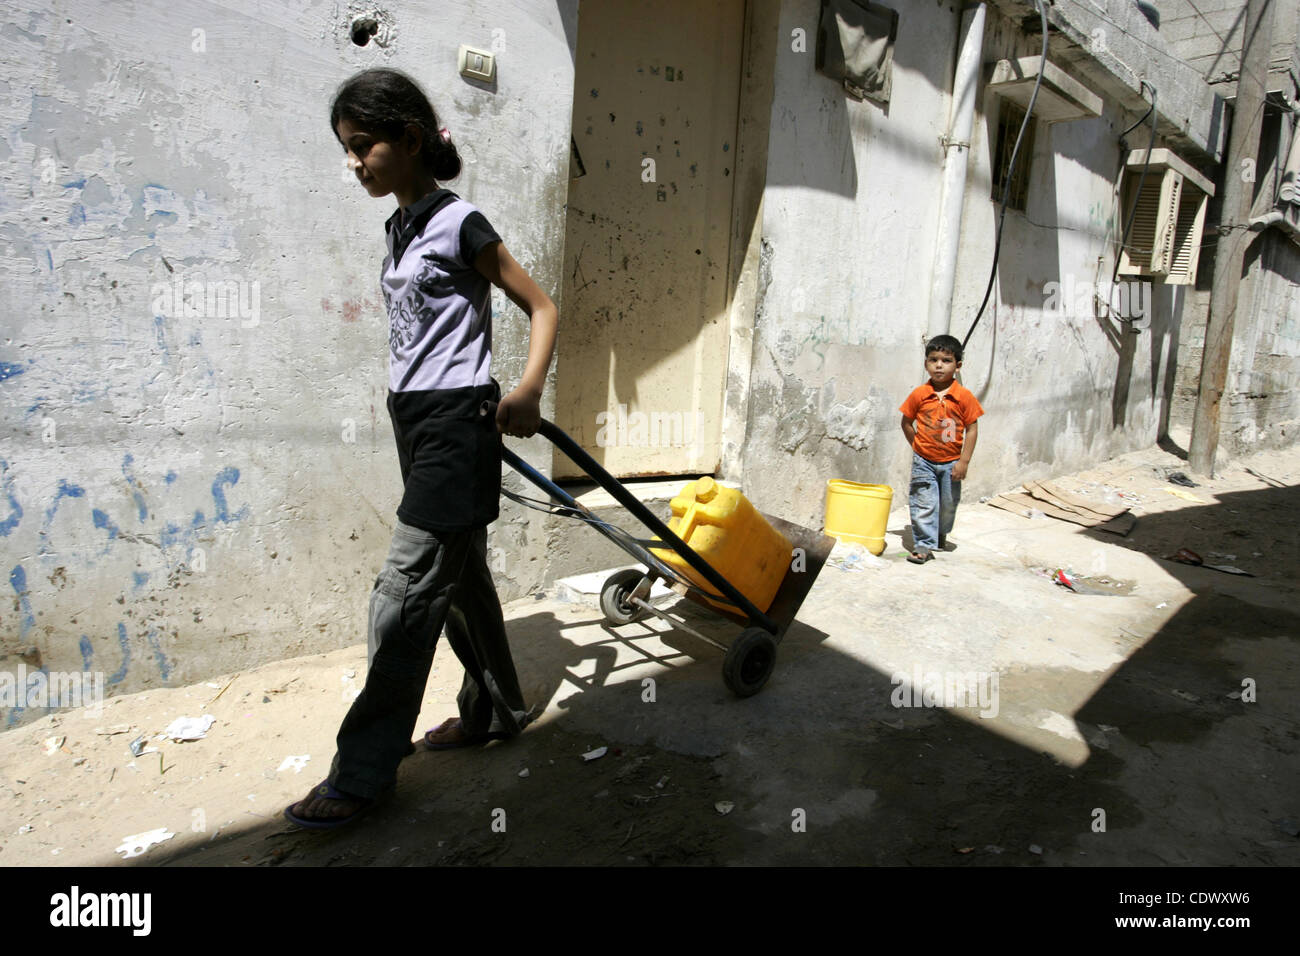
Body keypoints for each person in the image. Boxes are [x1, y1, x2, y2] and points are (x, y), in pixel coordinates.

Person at [286, 68, 558, 828]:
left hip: (457, 428)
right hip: (415, 421)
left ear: (408, 139)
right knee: (461, 581)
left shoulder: (459, 222)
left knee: (401, 598)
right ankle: (495, 710)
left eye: (362, 146)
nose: (354, 163)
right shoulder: (398, 228)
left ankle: (363, 773)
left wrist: (529, 391)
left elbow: (540, 305)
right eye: (346, 150)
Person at [898, 334, 983, 565]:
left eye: (946, 360)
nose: (938, 365)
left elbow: (972, 429)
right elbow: (906, 422)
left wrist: (963, 461)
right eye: (933, 359)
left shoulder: (964, 397)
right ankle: (923, 545)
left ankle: (940, 532)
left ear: (958, 366)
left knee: (947, 505)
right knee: (923, 502)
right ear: (926, 363)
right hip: (923, 460)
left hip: (951, 462)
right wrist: (917, 446)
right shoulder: (919, 394)